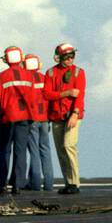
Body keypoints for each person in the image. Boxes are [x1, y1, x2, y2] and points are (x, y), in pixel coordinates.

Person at [0, 45, 33, 195]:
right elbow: (33, 97)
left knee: (3, 150)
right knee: (20, 151)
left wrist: (7, 105)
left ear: (7, 59)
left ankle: (2, 184)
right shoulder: (29, 76)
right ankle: (17, 184)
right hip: (25, 117)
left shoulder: (2, 76)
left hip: (7, 118)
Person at [44, 42, 86, 194]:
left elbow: (80, 96)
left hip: (72, 116)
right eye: (66, 57)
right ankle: (68, 182)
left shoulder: (79, 73)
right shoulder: (50, 73)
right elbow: (46, 94)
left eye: (72, 56)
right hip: (56, 116)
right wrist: (66, 93)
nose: (70, 59)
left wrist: (75, 114)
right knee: (61, 150)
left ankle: (75, 183)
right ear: (59, 57)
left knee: (69, 146)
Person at [23, 53, 54, 192]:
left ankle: (34, 184)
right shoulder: (45, 79)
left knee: (34, 151)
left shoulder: (25, 80)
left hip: (32, 120)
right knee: (46, 151)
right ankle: (48, 183)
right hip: (45, 119)